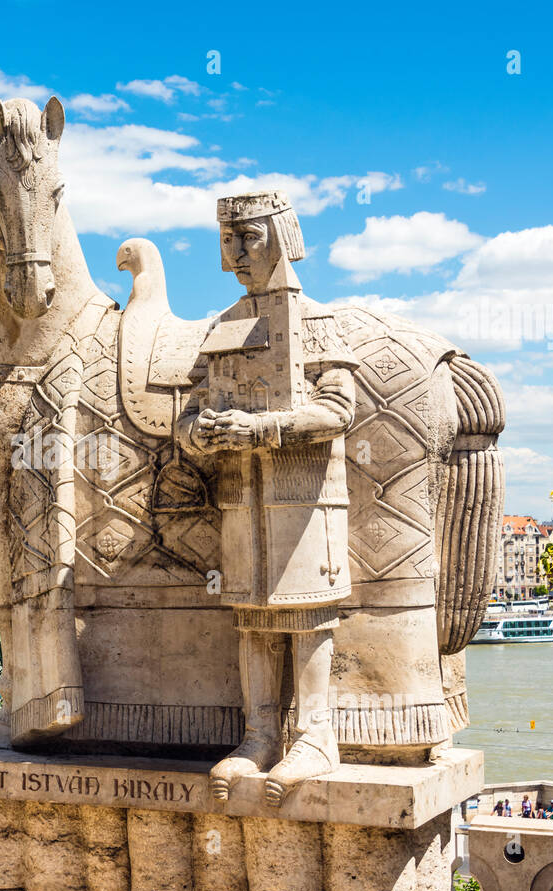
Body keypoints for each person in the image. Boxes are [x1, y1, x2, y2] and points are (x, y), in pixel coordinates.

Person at [176, 190, 358, 805]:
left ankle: (314, 735)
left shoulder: (318, 320)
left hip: (304, 499)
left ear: (281, 235)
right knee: (251, 616)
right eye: (227, 239)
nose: (235, 253)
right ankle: (258, 736)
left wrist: (264, 429)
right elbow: (192, 409)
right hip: (240, 498)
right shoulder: (222, 324)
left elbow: (338, 409)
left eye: (247, 236)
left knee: (308, 612)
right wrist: (196, 428)